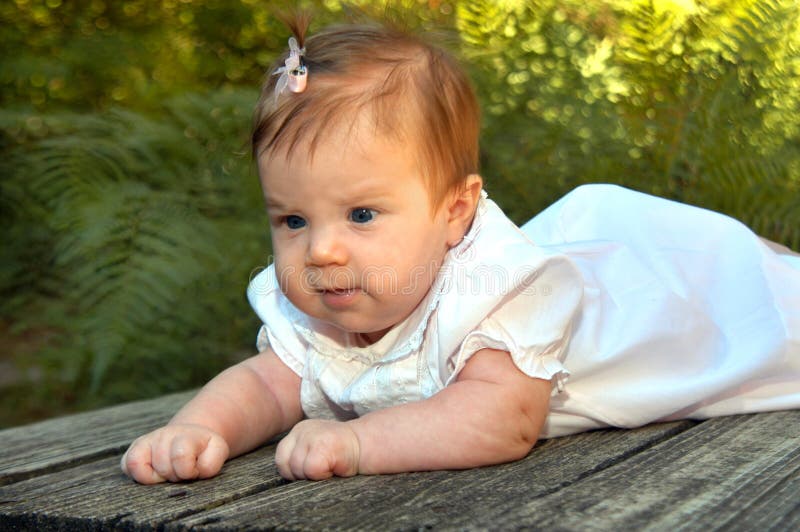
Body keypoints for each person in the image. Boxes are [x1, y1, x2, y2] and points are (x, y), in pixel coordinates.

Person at [120, 20, 800, 484]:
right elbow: (266, 383)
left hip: (654, 310)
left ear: (455, 212)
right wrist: (197, 428)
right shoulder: (321, 313)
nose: (321, 249)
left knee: (754, 299)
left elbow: (502, 420)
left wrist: (359, 443)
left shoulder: (497, 294)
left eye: (361, 214)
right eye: (293, 219)